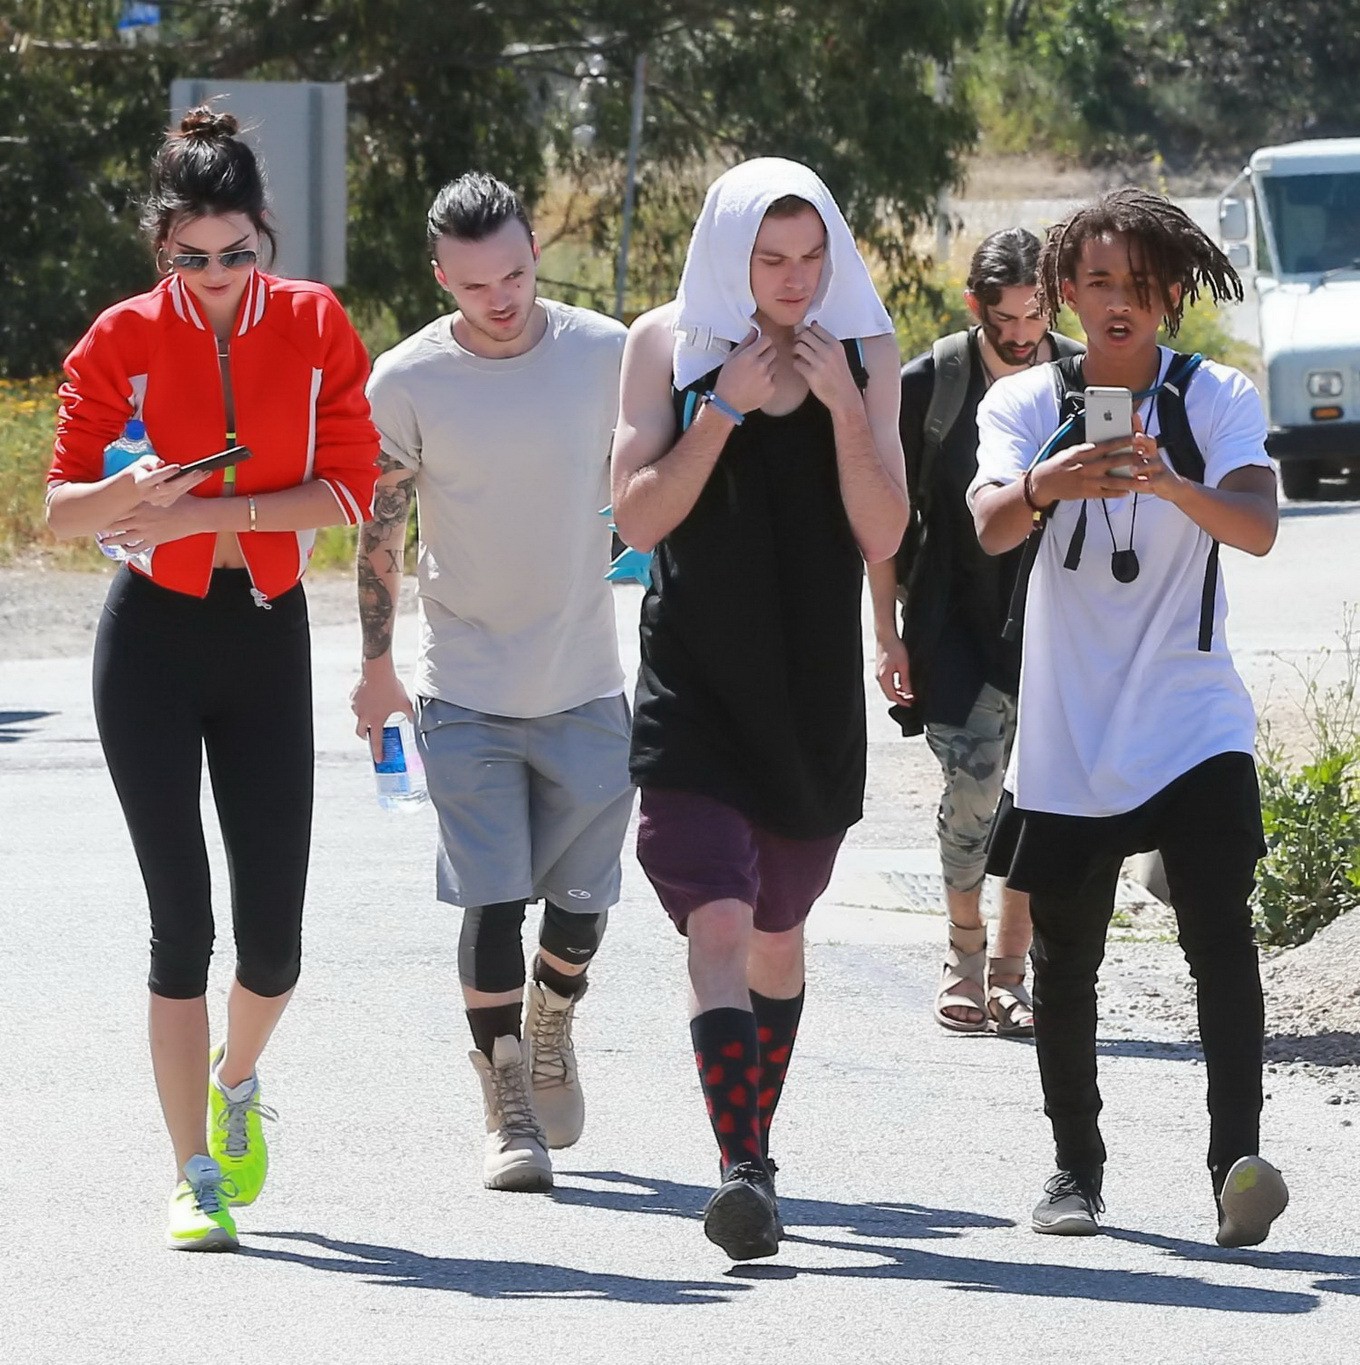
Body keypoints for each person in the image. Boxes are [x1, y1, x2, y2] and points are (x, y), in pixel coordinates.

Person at [44, 107, 381, 1252]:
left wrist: (214, 507)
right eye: (195, 260)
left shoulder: (316, 324)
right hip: (147, 640)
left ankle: (237, 1084)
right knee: (179, 923)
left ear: (264, 242)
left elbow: (345, 489)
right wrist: (129, 493)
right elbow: (59, 511)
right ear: (162, 252)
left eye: (241, 254)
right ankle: (192, 1172)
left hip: (266, 633)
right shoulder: (119, 339)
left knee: (274, 943)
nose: (223, 279)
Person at [969, 187, 1289, 1247]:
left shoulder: (1215, 398)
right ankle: (1074, 1169)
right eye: (1099, 282)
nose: (1119, 303)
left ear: (1173, 298)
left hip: (1191, 716)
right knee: (1067, 958)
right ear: (1066, 289)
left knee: (1219, 935)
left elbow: (1254, 530)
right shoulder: (1023, 405)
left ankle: (1235, 1164)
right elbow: (986, 526)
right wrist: (1051, 480)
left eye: (1142, 288)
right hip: (1070, 727)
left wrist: (1170, 484)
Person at [611, 158, 908, 1261]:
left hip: (809, 690)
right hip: (693, 685)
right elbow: (637, 522)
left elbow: (883, 532)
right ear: (730, 259)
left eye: (810, 257)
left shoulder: (865, 353)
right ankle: (741, 1170)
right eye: (769, 260)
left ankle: (753, 1148)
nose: (792, 281)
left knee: (778, 935)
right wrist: (724, 406)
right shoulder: (666, 349)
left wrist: (838, 405)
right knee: (719, 926)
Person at [352, 173, 632, 1194]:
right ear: (441, 279)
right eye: (475, 286)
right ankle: (505, 1093)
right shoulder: (408, 381)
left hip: (586, 677)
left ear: (532, 252)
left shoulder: (606, 353)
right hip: (463, 683)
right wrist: (376, 671)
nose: (502, 298)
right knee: (491, 895)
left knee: (581, 905)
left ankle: (552, 1016)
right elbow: (379, 533)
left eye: (515, 273)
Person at [870, 229, 1084, 1036]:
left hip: (1054, 617)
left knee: (1038, 795)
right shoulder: (935, 383)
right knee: (976, 786)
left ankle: (1010, 968)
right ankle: (963, 950)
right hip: (951, 615)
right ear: (975, 307)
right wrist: (885, 631)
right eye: (1006, 322)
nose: (1023, 337)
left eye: (1035, 318)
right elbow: (887, 521)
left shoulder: (1078, 380)